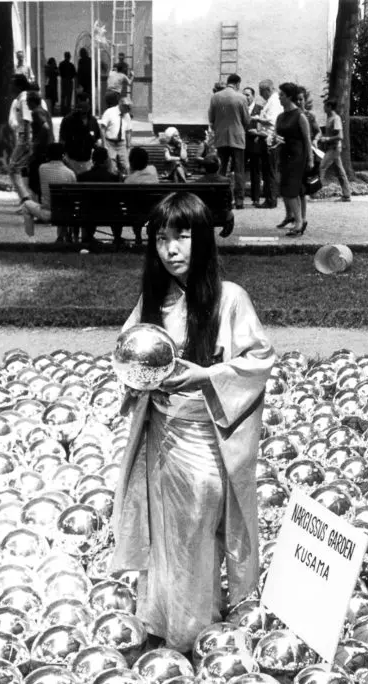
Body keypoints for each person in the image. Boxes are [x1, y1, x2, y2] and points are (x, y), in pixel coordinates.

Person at [111, 192, 275, 653]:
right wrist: (137, 380)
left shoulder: (230, 299)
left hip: (204, 437)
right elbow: (129, 352)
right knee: (163, 530)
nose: (172, 250)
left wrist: (208, 375)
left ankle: (192, 629)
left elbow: (259, 359)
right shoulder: (154, 299)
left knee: (195, 526)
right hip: (161, 434)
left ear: (201, 238)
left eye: (182, 237)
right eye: (162, 239)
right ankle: (163, 615)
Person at [275, 82, 314, 236]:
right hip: (284, 154)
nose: (279, 97)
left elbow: (307, 139)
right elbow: (279, 136)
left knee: (290, 190)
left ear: (289, 97)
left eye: (282, 95)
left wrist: (310, 159)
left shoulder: (300, 116)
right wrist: (274, 140)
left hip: (297, 156)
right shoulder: (280, 116)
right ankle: (300, 221)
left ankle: (298, 223)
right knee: (289, 190)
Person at [208, 72, 250, 209]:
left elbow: (211, 119)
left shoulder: (215, 97)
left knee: (221, 169)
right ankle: (239, 201)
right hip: (237, 137)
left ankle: (221, 199)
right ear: (238, 84)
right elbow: (246, 120)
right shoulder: (241, 98)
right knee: (239, 170)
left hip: (221, 137)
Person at [20, 142, 76, 242]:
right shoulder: (70, 173)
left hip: (47, 212)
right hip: (65, 214)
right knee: (64, 204)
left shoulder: (42, 168)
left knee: (26, 205)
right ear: (63, 155)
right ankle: (61, 236)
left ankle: (31, 238)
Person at [8, 75, 46, 201]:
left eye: (13, 85)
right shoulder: (22, 98)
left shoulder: (24, 99)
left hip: (24, 138)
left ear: (18, 85)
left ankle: (25, 198)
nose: (11, 88)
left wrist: (26, 141)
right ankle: (28, 197)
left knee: (14, 168)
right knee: (21, 168)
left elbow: (27, 120)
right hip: (26, 137)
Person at [77, 147, 120, 249]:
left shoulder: (82, 177)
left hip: (88, 213)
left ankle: (89, 236)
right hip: (110, 214)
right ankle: (117, 237)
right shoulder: (113, 178)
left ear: (93, 160)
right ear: (106, 160)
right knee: (115, 208)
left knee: (88, 205)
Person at [252, 79, 283, 208]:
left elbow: (273, 121)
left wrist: (258, 118)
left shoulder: (274, 101)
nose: (261, 95)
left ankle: (271, 199)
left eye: (262, 92)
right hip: (268, 139)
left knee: (270, 171)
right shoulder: (271, 101)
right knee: (268, 170)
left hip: (271, 141)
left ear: (268, 89)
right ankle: (270, 198)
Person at [59, 93, 102, 176]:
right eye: (81, 113)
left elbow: (96, 139)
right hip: (72, 159)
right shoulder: (68, 120)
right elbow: (62, 139)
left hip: (87, 159)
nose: (83, 115)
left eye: (85, 113)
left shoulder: (92, 121)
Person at [125, 147, 160, 245]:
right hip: (152, 211)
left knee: (135, 211)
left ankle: (138, 236)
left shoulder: (129, 181)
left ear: (131, 162)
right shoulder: (153, 170)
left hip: (135, 212)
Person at [319, 98, 351, 201]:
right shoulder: (329, 118)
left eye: (325, 106)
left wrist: (327, 138)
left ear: (329, 107)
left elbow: (340, 136)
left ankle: (315, 192)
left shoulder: (336, 119)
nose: (323, 108)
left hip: (335, 148)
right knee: (340, 171)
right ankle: (346, 195)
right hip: (331, 148)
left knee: (322, 167)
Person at [26, 92, 54, 200]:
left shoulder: (36, 112)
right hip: (48, 148)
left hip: (41, 149)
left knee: (34, 176)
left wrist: (35, 142)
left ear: (32, 102)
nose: (27, 104)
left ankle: (35, 201)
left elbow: (45, 127)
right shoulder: (45, 111)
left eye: (28, 102)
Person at [200, 155, 235, 237]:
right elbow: (230, 200)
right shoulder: (226, 181)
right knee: (230, 214)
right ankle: (224, 233)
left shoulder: (197, 182)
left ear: (204, 167)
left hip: (202, 216)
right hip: (222, 215)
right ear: (219, 167)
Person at [101, 95, 132, 177]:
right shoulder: (109, 112)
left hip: (121, 143)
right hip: (110, 142)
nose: (129, 109)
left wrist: (129, 146)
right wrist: (104, 144)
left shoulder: (127, 115)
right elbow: (103, 128)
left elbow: (128, 131)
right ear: (121, 105)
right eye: (127, 107)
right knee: (112, 167)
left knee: (126, 166)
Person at [244, 86, 264, 207]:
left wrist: (257, 134)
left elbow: (262, 125)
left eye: (247, 95)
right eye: (244, 95)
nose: (245, 97)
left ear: (253, 96)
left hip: (255, 142)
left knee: (255, 171)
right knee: (239, 170)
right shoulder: (241, 109)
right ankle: (239, 198)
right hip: (242, 143)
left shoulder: (259, 109)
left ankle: (256, 198)